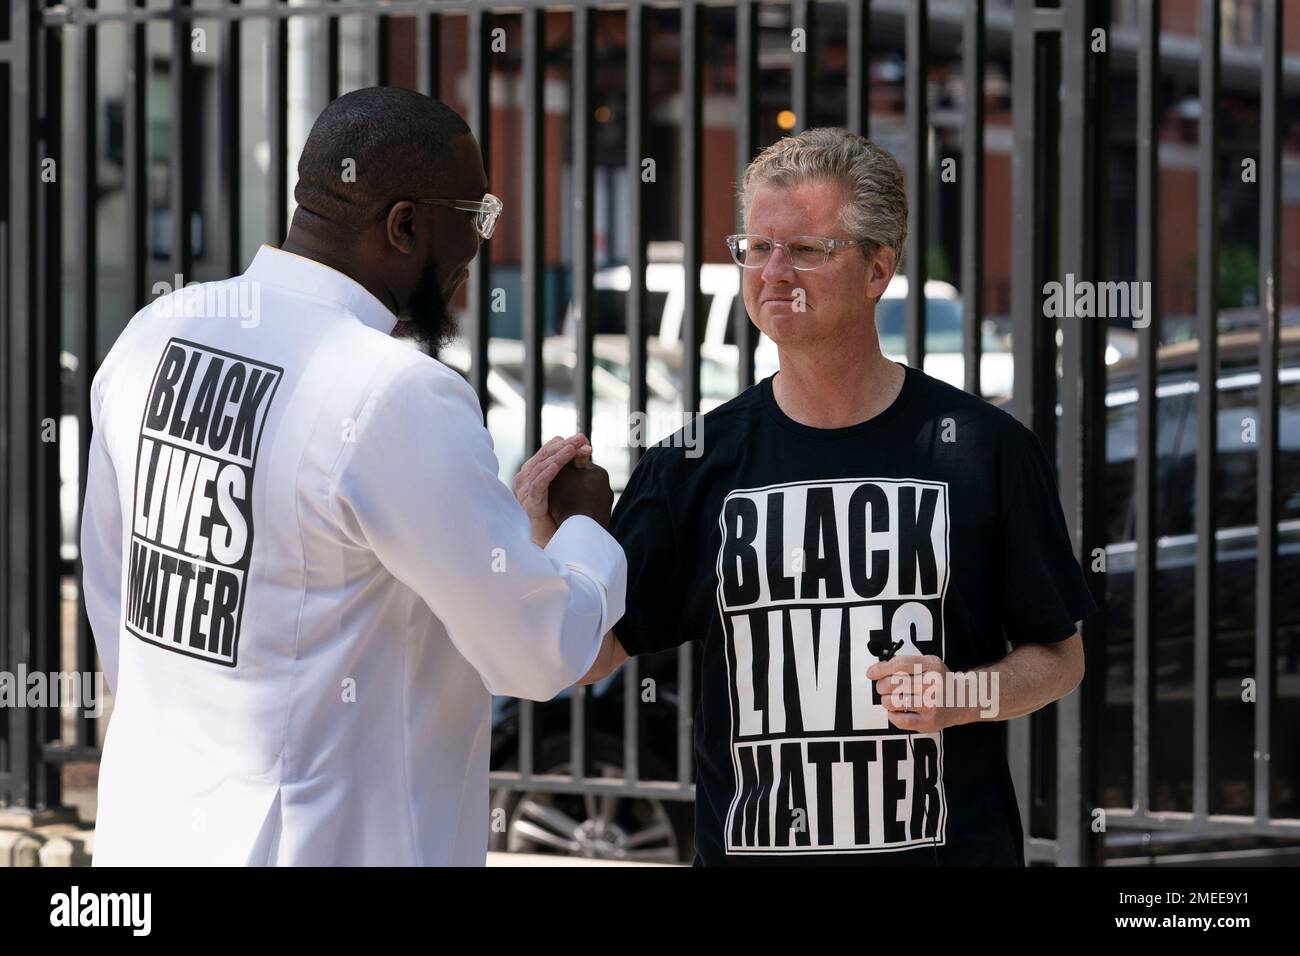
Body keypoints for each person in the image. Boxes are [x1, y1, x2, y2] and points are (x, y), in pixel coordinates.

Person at [520, 127, 1097, 865]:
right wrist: (548, 537)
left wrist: (963, 696)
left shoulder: (984, 449)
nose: (774, 271)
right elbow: (593, 653)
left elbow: (1060, 656)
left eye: (808, 249)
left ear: (877, 268)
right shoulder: (696, 464)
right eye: (756, 247)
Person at [80, 87, 622, 866]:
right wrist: (582, 531)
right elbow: (535, 653)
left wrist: (493, 533)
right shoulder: (394, 390)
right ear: (405, 225)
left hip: (147, 837)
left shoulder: (156, 332)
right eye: (475, 217)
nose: (478, 248)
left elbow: (116, 597)